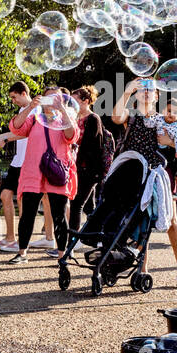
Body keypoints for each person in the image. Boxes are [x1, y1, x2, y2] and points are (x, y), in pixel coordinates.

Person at [112, 78, 177, 288]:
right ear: (137, 95)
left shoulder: (162, 119)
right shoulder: (133, 116)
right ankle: (142, 269)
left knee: (172, 221)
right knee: (140, 219)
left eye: (151, 90)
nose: (146, 92)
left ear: (157, 96)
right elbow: (116, 117)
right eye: (142, 90)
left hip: (160, 173)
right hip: (136, 173)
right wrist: (126, 91)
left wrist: (170, 141)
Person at [6, 87, 80, 264]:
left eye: (55, 98)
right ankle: (22, 252)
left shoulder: (65, 119)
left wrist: (61, 109)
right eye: (47, 98)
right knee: (27, 214)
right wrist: (31, 106)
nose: (50, 102)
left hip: (56, 173)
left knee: (59, 215)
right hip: (33, 172)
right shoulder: (34, 120)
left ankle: (62, 254)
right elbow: (16, 127)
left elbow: (72, 136)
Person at [0, 83, 54, 253]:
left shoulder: (36, 110)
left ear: (24, 93)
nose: (13, 101)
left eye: (14, 97)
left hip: (29, 162)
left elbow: (25, 133)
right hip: (17, 161)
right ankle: (10, 238)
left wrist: (3, 139)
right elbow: (17, 131)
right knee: (6, 196)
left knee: (25, 201)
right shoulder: (24, 110)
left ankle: (25, 240)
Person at [69, 85, 105, 243]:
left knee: (76, 204)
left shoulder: (93, 119)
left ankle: (72, 242)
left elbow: (94, 147)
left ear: (86, 101)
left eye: (75, 100)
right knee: (90, 208)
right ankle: (99, 236)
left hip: (88, 171)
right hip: (77, 168)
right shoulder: (75, 119)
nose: (71, 104)